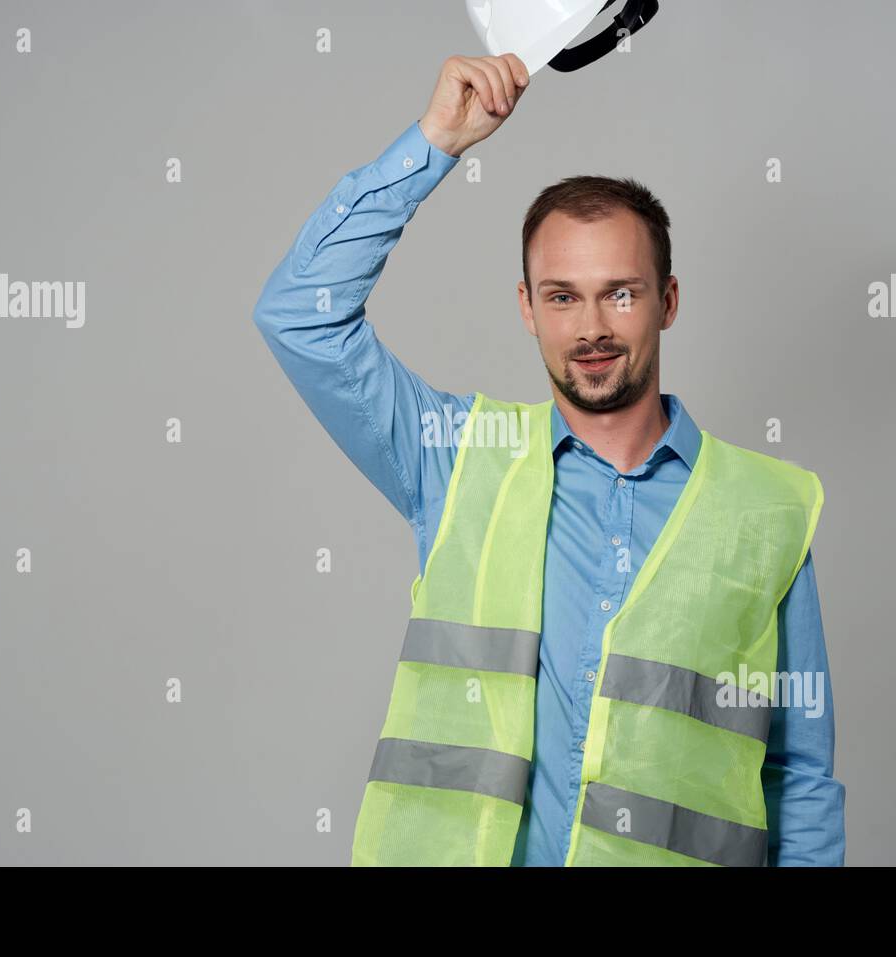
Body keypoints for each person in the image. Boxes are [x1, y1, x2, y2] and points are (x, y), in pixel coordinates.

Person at [253, 54, 845, 866]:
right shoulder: (459, 459)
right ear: (528, 308)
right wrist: (436, 142)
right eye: (562, 295)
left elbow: (798, 773)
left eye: (621, 292)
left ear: (666, 302)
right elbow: (300, 315)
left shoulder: (770, 508)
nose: (592, 326)